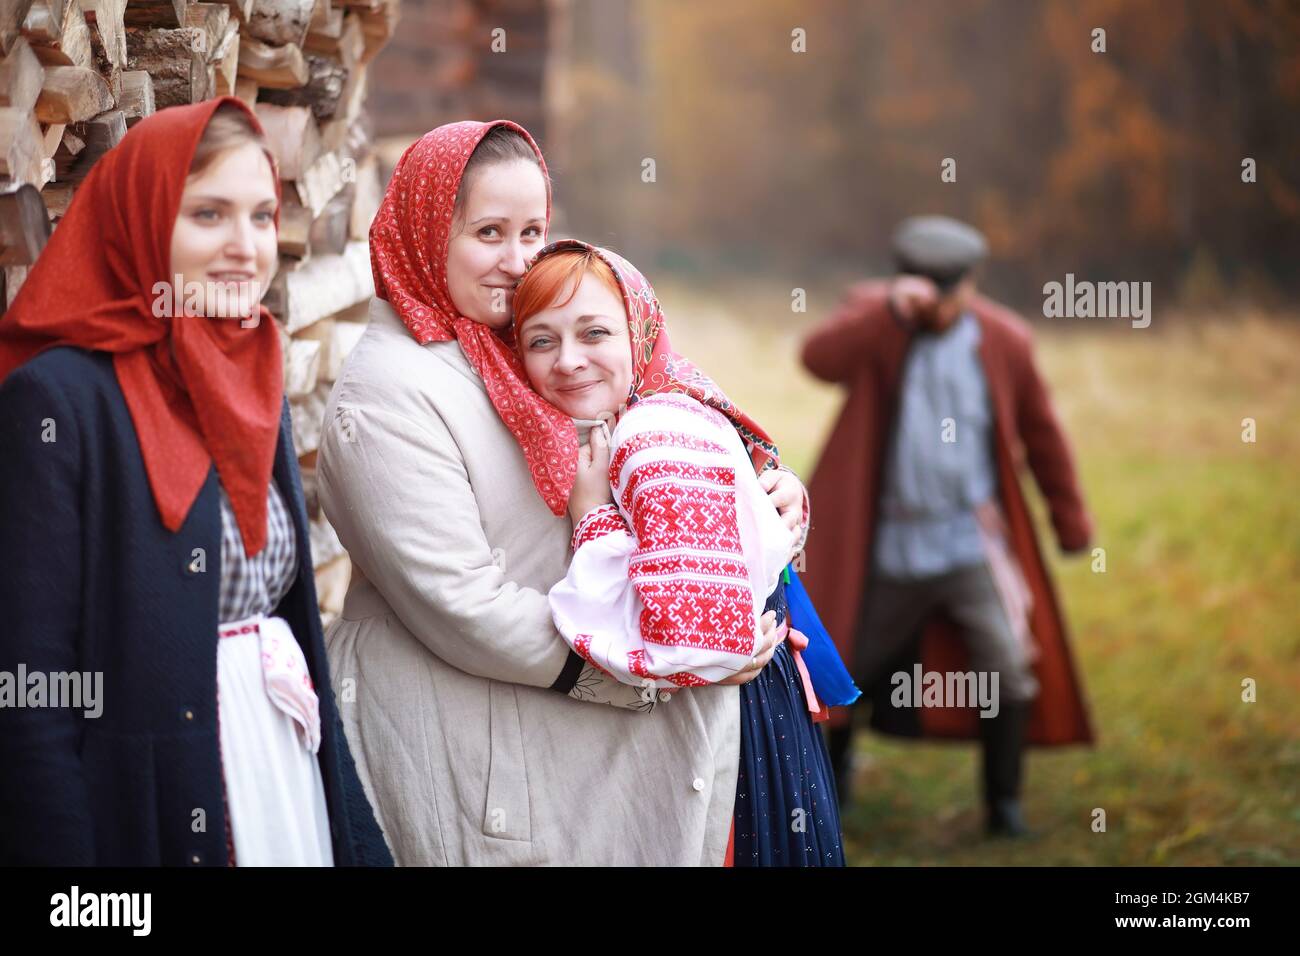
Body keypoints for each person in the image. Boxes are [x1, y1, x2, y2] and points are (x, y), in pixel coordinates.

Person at [316, 120, 808, 865]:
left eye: (533, 230)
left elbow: (655, 425)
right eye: (489, 232)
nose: (518, 262)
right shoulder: (384, 394)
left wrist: (763, 495)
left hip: (568, 729)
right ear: (425, 226)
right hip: (473, 739)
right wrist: (656, 663)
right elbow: (465, 606)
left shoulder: (521, 341)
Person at [0, 98, 390, 866]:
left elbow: (298, 634)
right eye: (207, 215)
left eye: (259, 216)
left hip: (279, 776)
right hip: (156, 807)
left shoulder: (251, 379)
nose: (245, 247)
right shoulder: (60, 404)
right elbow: (27, 698)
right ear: (142, 221)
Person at [512, 240, 847, 866]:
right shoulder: (627, 416)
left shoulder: (654, 433)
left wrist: (591, 520)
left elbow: (687, 642)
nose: (569, 361)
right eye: (541, 341)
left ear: (638, 331)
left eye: (594, 333)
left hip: (729, 722)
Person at [800, 215, 1095, 837]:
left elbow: (1043, 435)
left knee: (1008, 666)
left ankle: (1004, 807)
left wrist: (1071, 520)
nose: (936, 305)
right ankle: (836, 789)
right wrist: (891, 315)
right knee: (845, 665)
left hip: (967, 543)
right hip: (888, 545)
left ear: (970, 286)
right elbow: (818, 359)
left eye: (947, 293)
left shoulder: (1003, 340)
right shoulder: (877, 319)